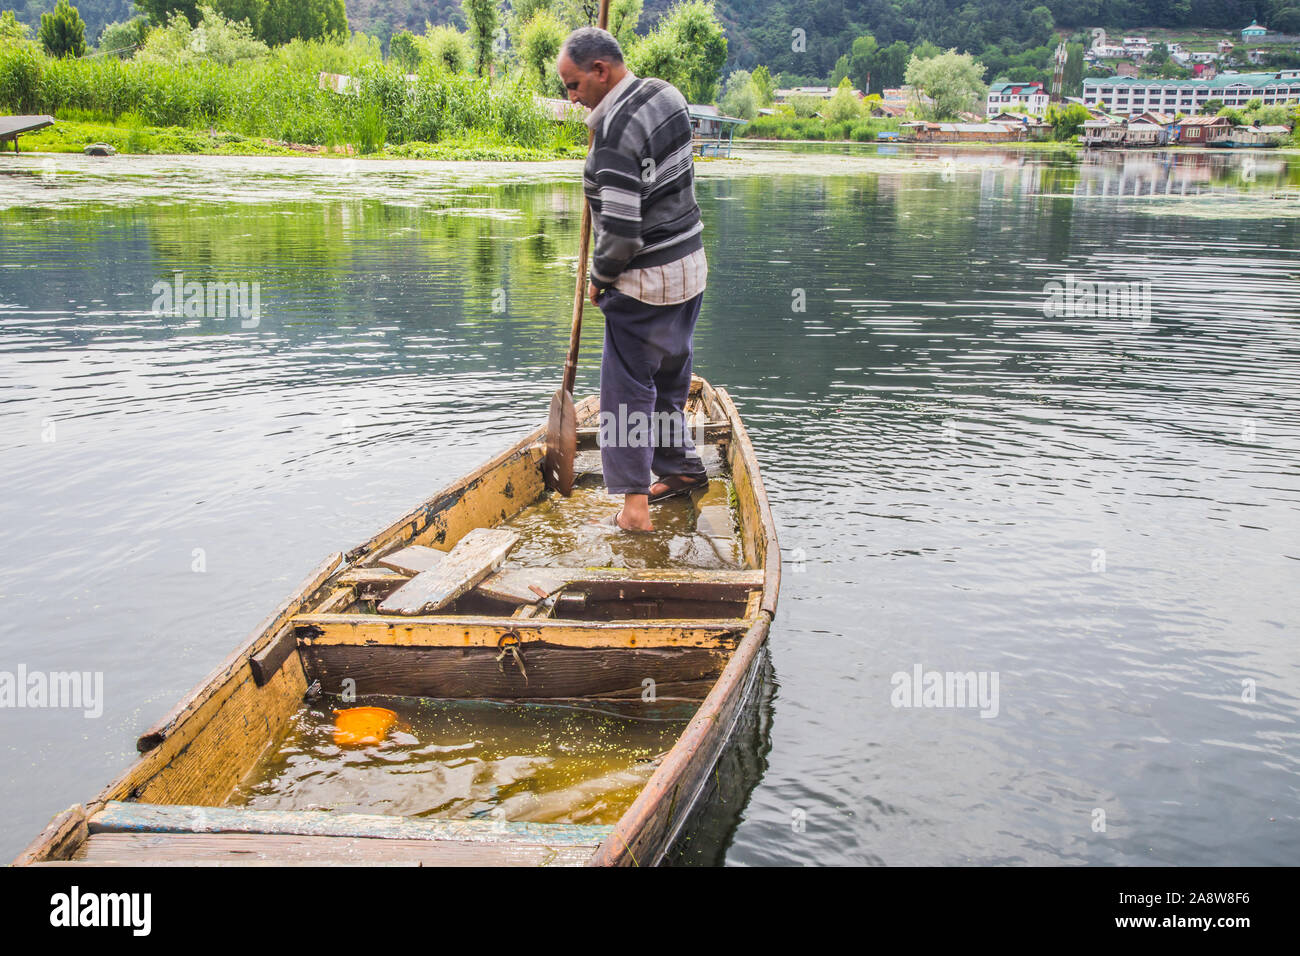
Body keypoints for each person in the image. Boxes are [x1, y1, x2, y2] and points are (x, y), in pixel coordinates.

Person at [557, 26, 709, 533]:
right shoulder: (667, 94)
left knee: (625, 394)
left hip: (644, 285)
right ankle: (682, 467)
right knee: (669, 376)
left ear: (601, 71)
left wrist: (597, 279)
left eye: (574, 85)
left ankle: (635, 509)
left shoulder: (614, 141)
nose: (572, 98)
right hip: (690, 272)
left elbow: (621, 236)